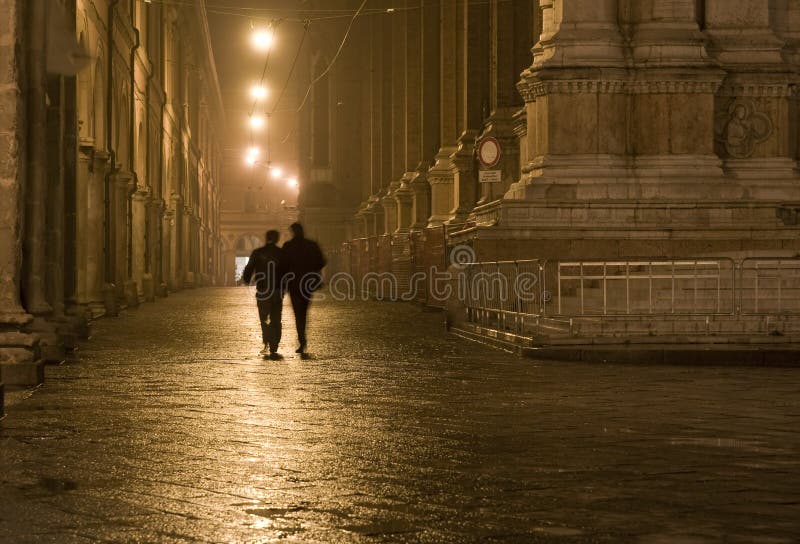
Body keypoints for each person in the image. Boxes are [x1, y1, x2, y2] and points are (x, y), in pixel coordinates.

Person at [281, 223, 326, 354]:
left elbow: (282, 266)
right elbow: (321, 262)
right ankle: (302, 339)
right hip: (308, 283)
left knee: (297, 313)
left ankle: (302, 340)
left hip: (293, 284)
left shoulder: (288, 246)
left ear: (292, 232)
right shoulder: (311, 245)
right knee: (304, 311)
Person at [241, 230, 285, 358]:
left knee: (264, 318)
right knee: (276, 318)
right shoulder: (281, 253)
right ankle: (274, 343)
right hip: (277, 290)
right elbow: (287, 271)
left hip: (263, 290)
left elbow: (249, 268)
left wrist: (247, 279)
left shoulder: (258, 253)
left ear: (266, 238)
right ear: (277, 239)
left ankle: (267, 339)